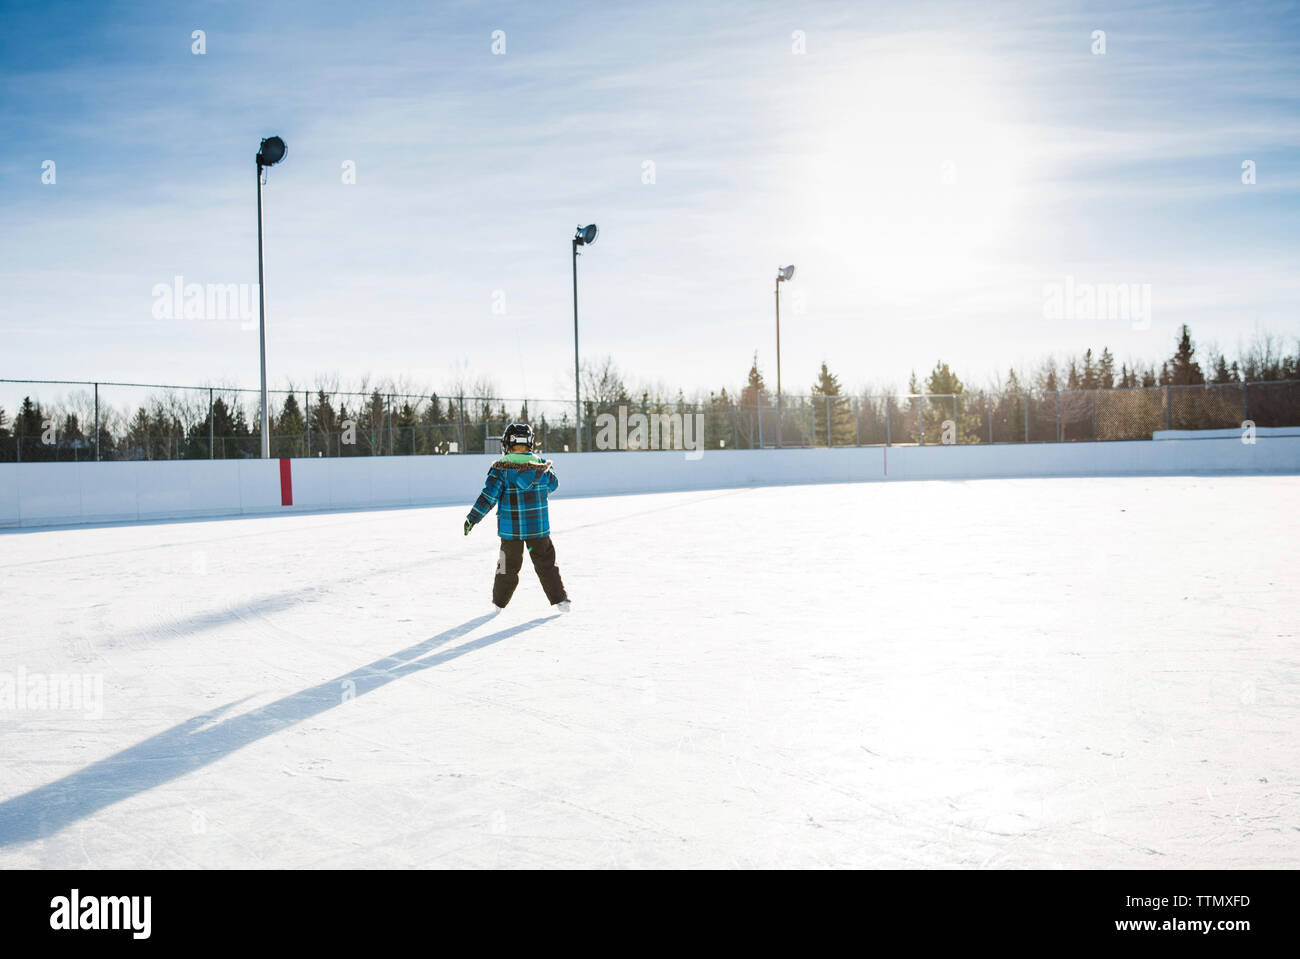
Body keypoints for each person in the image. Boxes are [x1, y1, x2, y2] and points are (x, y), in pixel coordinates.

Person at [464, 422, 570, 612]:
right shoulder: (542, 466)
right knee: (547, 565)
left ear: (507, 443)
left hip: (510, 531)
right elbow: (553, 485)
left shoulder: (501, 470)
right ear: (530, 443)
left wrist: (473, 518)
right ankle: (560, 600)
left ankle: (498, 604)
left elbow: (488, 497)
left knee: (507, 567)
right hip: (538, 529)